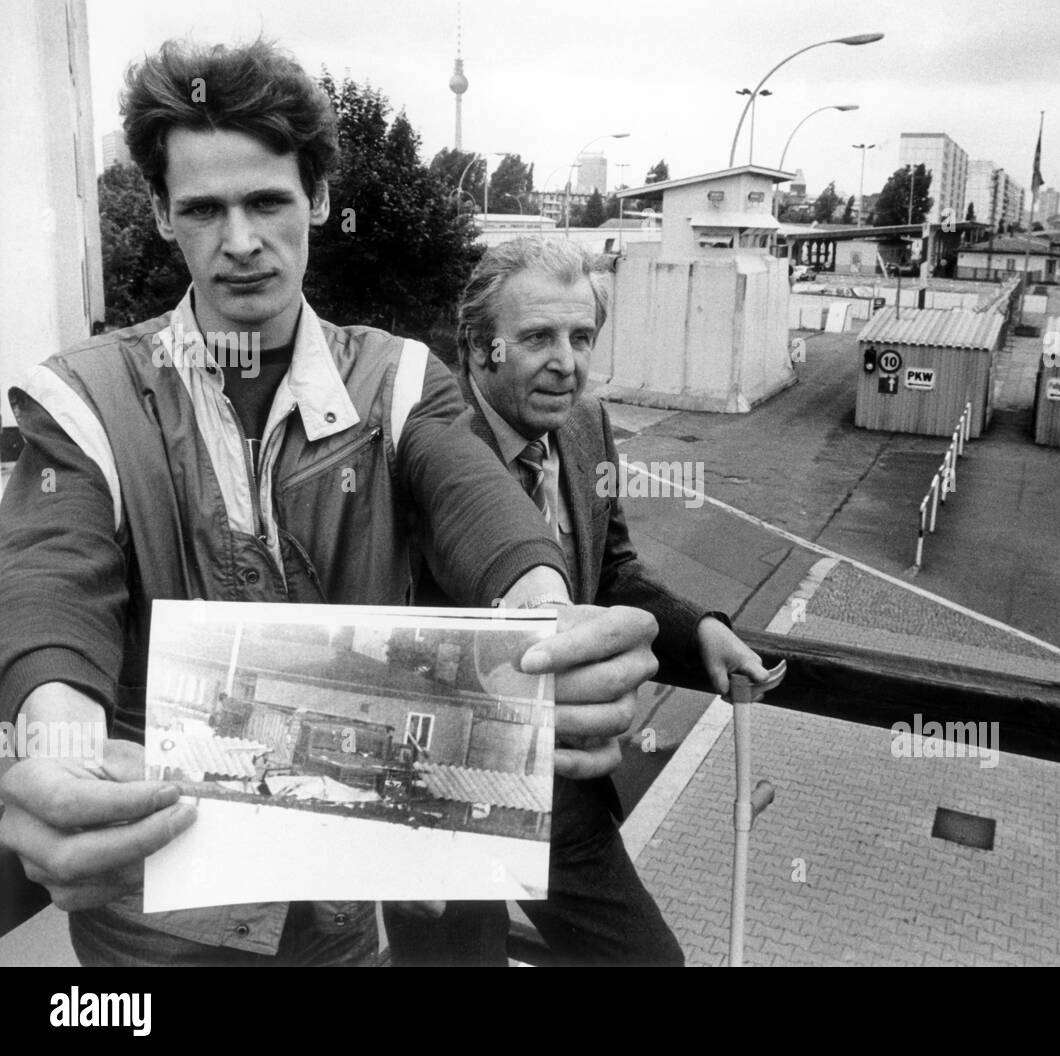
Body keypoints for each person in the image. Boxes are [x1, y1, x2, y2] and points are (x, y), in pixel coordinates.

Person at [0, 40, 656, 966]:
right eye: (203, 209)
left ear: (315, 198)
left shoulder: (398, 379)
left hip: (344, 924)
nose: (239, 242)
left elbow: (477, 502)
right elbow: (51, 582)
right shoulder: (85, 397)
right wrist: (50, 751)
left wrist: (548, 625)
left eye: (267, 201)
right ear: (157, 212)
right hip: (150, 930)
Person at [382, 237, 774, 966]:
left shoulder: (586, 426)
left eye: (581, 336)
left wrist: (701, 633)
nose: (567, 361)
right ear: (477, 346)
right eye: (537, 338)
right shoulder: (424, 445)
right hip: (443, 801)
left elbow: (612, 568)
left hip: (563, 796)